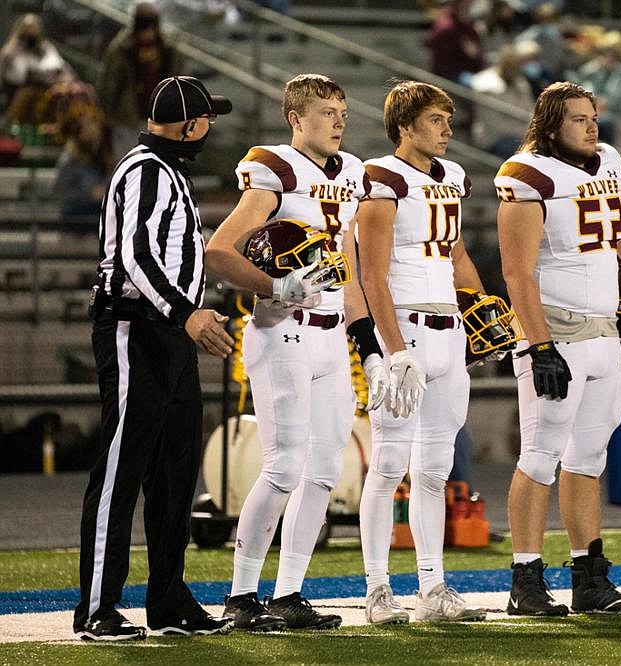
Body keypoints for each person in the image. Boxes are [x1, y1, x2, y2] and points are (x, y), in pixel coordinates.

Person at [204, 73, 387, 632]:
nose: (338, 121)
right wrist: (275, 286)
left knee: (325, 469)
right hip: (282, 328)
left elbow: (347, 267)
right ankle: (240, 597)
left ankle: (288, 594)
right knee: (284, 465)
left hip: (332, 333)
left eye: (341, 112)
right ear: (295, 118)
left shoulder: (353, 172)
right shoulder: (275, 169)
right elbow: (218, 252)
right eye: (326, 112)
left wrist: (370, 344)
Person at [494, 81, 621, 616]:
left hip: (604, 333)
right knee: (541, 455)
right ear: (550, 126)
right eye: (577, 119)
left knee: (589, 459)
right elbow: (516, 271)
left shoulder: (608, 162)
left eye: (593, 116)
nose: (592, 126)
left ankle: (589, 578)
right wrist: (539, 344)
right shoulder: (528, 174)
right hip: (558, 333)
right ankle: (525, 580)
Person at [75, 75, 235, 641]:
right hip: (134, 328)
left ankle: (167, 600)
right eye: (207, 118)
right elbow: (137, 255)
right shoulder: (146, 169)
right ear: (190, 125)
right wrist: (186, 314)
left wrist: (198, 309)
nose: (211, 127)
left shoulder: (168, 172)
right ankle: (97, 606)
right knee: (122, 468)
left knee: (174, 473)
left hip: (167, 332)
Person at [355, 80, 488, 625]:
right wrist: (392, 349)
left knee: (436, 467)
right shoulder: (381, 178)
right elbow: (371, 275)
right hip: (405, 326)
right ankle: (378, 590)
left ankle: (433, 588)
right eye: (436, 120)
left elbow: (456, 255)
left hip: (448, 330)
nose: (447, 129)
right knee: (389, 465)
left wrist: (481, 312)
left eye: (447, 119)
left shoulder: (452, 177)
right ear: (404, 126)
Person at [97, 2, 183, 158]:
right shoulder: (122, 48)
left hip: (160, 118)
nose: (148, 31)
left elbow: (180, 79)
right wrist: (110, 114)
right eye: (144, 25)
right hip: (128, 117)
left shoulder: (167, 48)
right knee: (128, 161)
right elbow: (108, 84)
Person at [0, 13, 73, 124]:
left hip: (48, 87)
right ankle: (8, 126)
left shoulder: (46, 47)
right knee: (27, 93)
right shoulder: (11, 51)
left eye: (34, 30)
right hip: (17, 91)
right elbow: (17, 77)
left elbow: (59, 65)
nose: (31, 34)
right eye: (28, 30)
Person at [53, 111, 113, 233]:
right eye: (90, 128)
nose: (95, 132)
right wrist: (89, 194)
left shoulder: (101, 158)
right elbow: (60, 192)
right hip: (75, 211)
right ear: (79, 133)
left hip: (96, 209)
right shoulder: (69, 160)